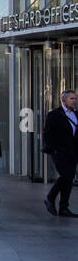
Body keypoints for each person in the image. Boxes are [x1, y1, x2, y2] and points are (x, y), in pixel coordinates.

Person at [42, 89, 78, 218]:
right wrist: (54, 149)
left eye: (75, 98)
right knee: (66, 175)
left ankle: (63, 208)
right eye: (71, 98)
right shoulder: (55, 114)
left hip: (73, 152)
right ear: (64, 100)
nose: (74, 101)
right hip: (59, 151)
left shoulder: (76, 114)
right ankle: (50, 198)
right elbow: (47, 133)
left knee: (68, 179)